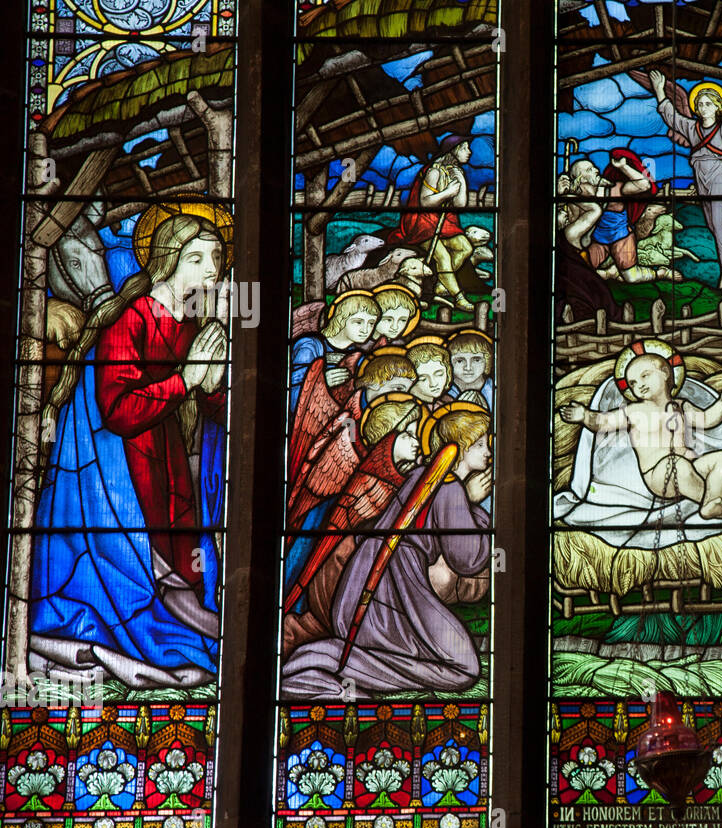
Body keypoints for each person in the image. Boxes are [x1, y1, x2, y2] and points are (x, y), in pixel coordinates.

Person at [27, 204, 233, 689]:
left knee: (180, 571)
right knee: (138, 571)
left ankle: (182, 623)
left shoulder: (192, 322)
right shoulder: (133, 318)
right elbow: (117, 408)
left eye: (217, 260)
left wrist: (216, 380)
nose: (212, 270)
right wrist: (187, 379)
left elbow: (210, 399)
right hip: (115, 468)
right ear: (169, 260)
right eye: (200, 258)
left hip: (166, 459)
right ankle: (128, 627)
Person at [279, 404, 494, 697]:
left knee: (442, 657)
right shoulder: (449, 487)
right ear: (461, 447)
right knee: (465, 668)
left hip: (365, 584)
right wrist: (476, 511)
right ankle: (330, 659)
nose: (488, 452)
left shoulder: (421, 474)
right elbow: (467, 559)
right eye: (480, 444)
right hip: (392, 590)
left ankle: (332, 656)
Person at [560, 339, 722, 520]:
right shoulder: (633, 411)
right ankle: (707, 502)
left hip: (690, 469)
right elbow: (603, 422)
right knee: (677, 465)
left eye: (645, 375)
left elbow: (706, 419)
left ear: (665, 373)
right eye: (632, 383)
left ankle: (711, 503)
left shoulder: (681, 406)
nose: (638, 384)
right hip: (658, 475)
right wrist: (584, 415)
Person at [649, 70, 722, 290]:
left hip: (720, 178)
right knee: (714, 223)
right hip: (701, 179)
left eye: (708, 103)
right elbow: (672, 118)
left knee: (720, 219)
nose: (703, 107)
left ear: (718, 106)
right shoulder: (692, 127)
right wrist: (659, 91)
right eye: (700, 104)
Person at [557, 156, 681, 284]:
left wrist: (623, 167)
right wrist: (559, 192)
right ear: (581, 179)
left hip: (621, 237)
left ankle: (661, 273)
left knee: (632, 277)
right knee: (581, 273)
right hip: (597, 241)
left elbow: (644, 185)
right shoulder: (574, 198)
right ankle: (610, 273)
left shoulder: (613, 190)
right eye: (589, 169)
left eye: (594, 167)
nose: (596, 170)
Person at [388, 134, 477, 312]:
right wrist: (448, 193)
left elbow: (460, 205)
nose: (469, 152)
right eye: (465, 148)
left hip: (444, 223)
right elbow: (425, 202)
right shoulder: (434, 171)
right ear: (454, 150)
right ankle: (459, 297)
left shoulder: (455, 170)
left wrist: (460, 181)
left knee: (466, 247)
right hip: (423, 222)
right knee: (443, 256)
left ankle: (441, 285)